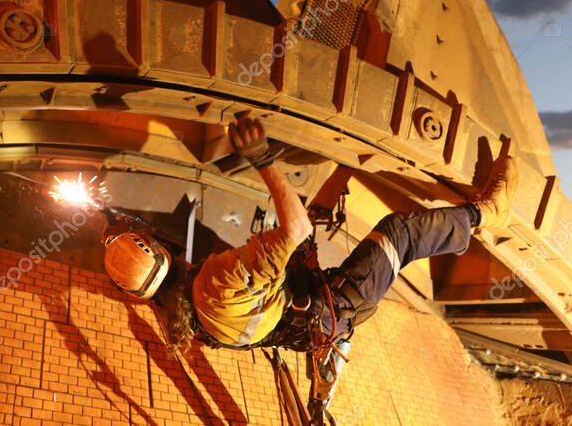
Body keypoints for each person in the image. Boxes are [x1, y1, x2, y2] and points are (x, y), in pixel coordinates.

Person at [102, 114, 517, 355]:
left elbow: (286, 252)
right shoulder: (215, 280)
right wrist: (263, 160)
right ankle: (485, 214)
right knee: (397, 234)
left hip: (301, 319)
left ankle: (348, 169)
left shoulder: (183, 321)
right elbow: (296, 228)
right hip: (336, 304)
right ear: (158, 250)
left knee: (292, 234)